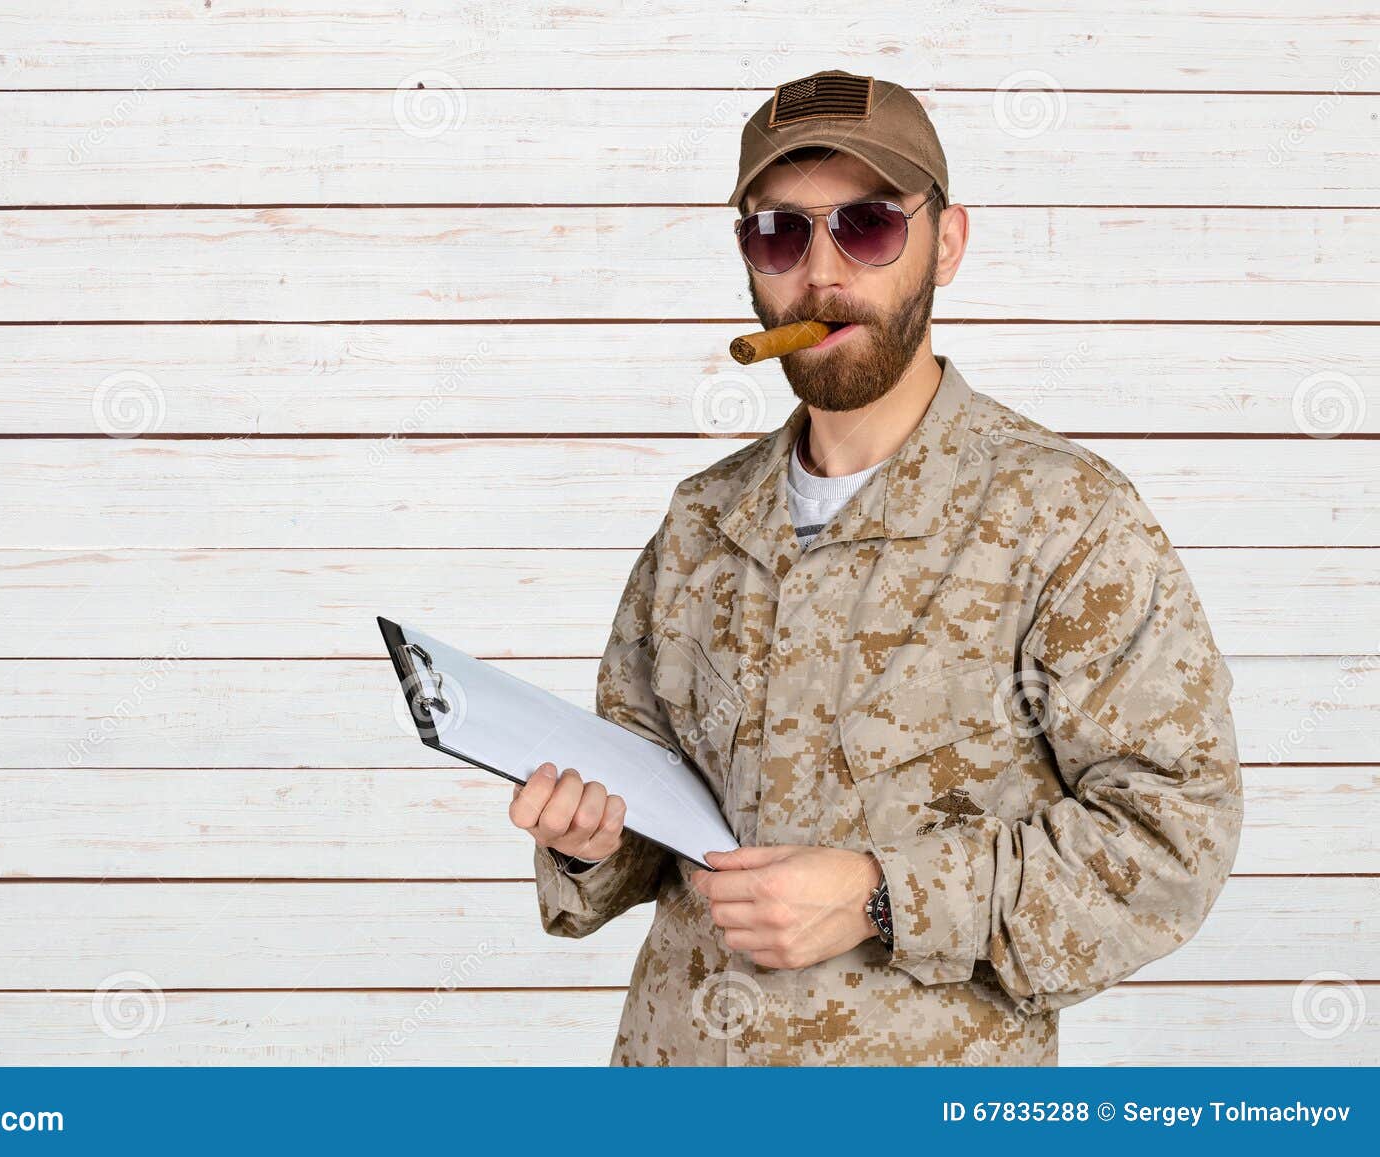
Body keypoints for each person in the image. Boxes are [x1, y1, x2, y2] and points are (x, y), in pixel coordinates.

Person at [508, 69, 1243, 1065]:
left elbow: (1169, 841)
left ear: (947, 241)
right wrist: (586, 838)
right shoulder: (701, 522)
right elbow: (654, 819)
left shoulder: (1065, 518)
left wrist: (880, 894)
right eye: (780, 231)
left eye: (868, 225)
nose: (820, 274)